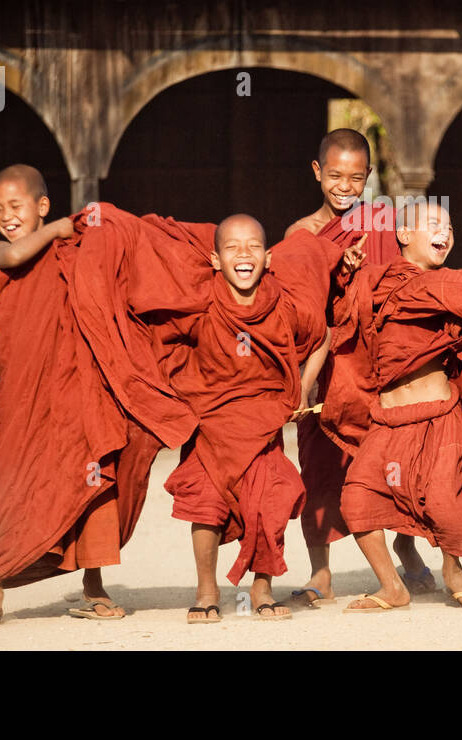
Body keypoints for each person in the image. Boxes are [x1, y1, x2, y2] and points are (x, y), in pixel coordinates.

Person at [0, 166, 174, 629]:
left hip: (78, 388)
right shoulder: (1, 249)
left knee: (93, 474)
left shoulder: (75, 251)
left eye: (15, 206)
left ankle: (93, 585)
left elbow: (126, 265)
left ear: (41, 205)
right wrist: (61, 227)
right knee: (10, 483)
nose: (5, 216)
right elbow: (11, 255)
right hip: (25, 395)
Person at [325, 201, 462, 611]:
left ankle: (453, 572)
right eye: (434, 224)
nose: (446, 231)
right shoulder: (375, 279)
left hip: (439, 416)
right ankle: (392, 587)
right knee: (356, 498)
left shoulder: (449, 289)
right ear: (403, 235)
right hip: (388, 420)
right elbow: (339, 310)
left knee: (445, 503)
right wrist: (343, 270)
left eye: (450, 225)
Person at [159, 214, 340, 622]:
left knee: (271, 501)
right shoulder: (201, 302)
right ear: (215, 259)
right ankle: (207, 590)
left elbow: (323, 335)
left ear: (269, 258)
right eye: (232, 247)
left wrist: (300, 386)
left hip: (263, 426)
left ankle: (261, 588)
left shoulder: (283, 304)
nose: (244, 254)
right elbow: (162, 339)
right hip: (212, 424)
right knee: (205, 502)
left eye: (254, 246)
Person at [283, 128, 432, 605]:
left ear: (368, 176)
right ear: (316, 173)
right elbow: (300, 305)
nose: (345, 186)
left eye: (355, 177)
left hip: (380, 364)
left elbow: (416, 275)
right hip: (328, 365)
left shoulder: (387, 223)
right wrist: (332, 260)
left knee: (397, 463)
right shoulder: (302, 232)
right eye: (334, 176)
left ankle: (407, 550)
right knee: (321, 466)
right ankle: (321, 572)